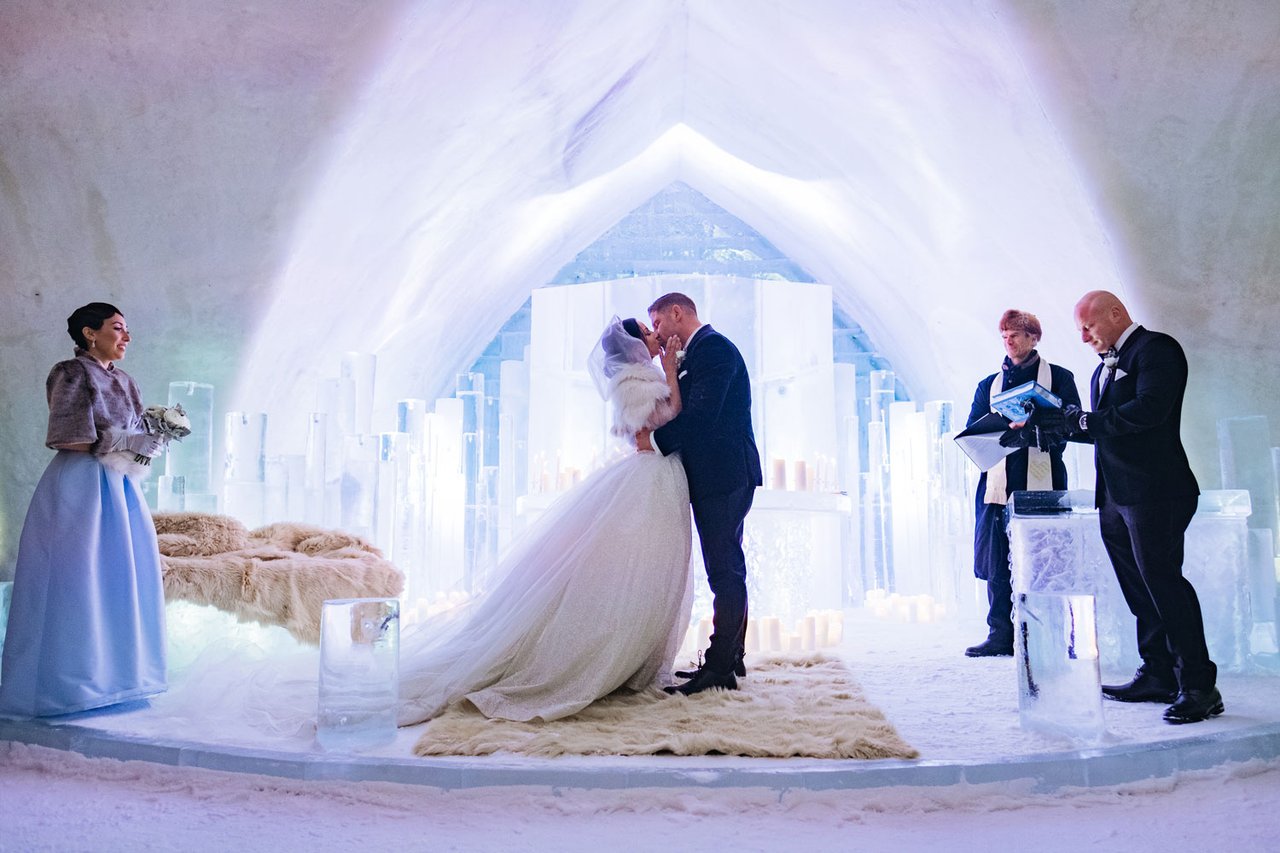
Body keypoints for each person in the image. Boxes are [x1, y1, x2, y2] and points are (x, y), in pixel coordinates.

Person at [397, 316, 694, 725]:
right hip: (649, 479)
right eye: (646, 332)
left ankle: (633, 657)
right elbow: (671, 415)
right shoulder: (634, 381)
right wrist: (672, 371)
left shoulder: (640, 375)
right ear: (634, 346)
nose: (654, 335)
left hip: (656, 476)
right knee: (630, 571)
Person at [1054, 290, 1221, 724]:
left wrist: (1085, 420)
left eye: (1089, 326)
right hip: (1115, 495)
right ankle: (1158, 673)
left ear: (1116, 313)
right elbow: (1107, 429)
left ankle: (1200, 685)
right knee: (1139, 590)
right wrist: (1057, 425)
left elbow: (1148, 411)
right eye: (1080, 330)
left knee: (1164, 584)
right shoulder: (1101, 369)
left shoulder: (1157, 349)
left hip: (1157, 491)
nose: (1084, 337)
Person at [0, 303, 168, 717]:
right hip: (80, 487)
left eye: (126, 329)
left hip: (121, 487)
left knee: (122, 574)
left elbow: (134, 433)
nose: (126, 337)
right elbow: (65, 436)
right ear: (90, 333)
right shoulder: (71, 373)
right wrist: (124, 443)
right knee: (77, 577)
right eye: (117, 328)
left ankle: (120, 678)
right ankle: (69, 683)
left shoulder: (125, 381)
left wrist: (149, 444)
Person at [640, 293, 762, 696]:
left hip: (725, 475)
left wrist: (652, 442)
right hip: (717, 476)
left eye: (658, 322)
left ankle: (720, 667)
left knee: (724, 571)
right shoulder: (698, 352)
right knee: (727, 568)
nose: (657, 332)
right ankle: (731, 657)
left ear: (677, 313)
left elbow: (701, 418)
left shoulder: (714, 349)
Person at [964, 309, 1080, 658]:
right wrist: (1007, 429)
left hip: (1043, 479)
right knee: (998, 559)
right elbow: (974, 430)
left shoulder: (1059, 377)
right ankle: (1000, 633)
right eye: (1004, 336)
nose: (1008, 341)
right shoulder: (989, 385)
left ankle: (1048, 634)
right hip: (998, 483)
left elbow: (1072, 424)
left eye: (1015, 335)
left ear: (1033, 338)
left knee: (1046, 557)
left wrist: (1032, 428)